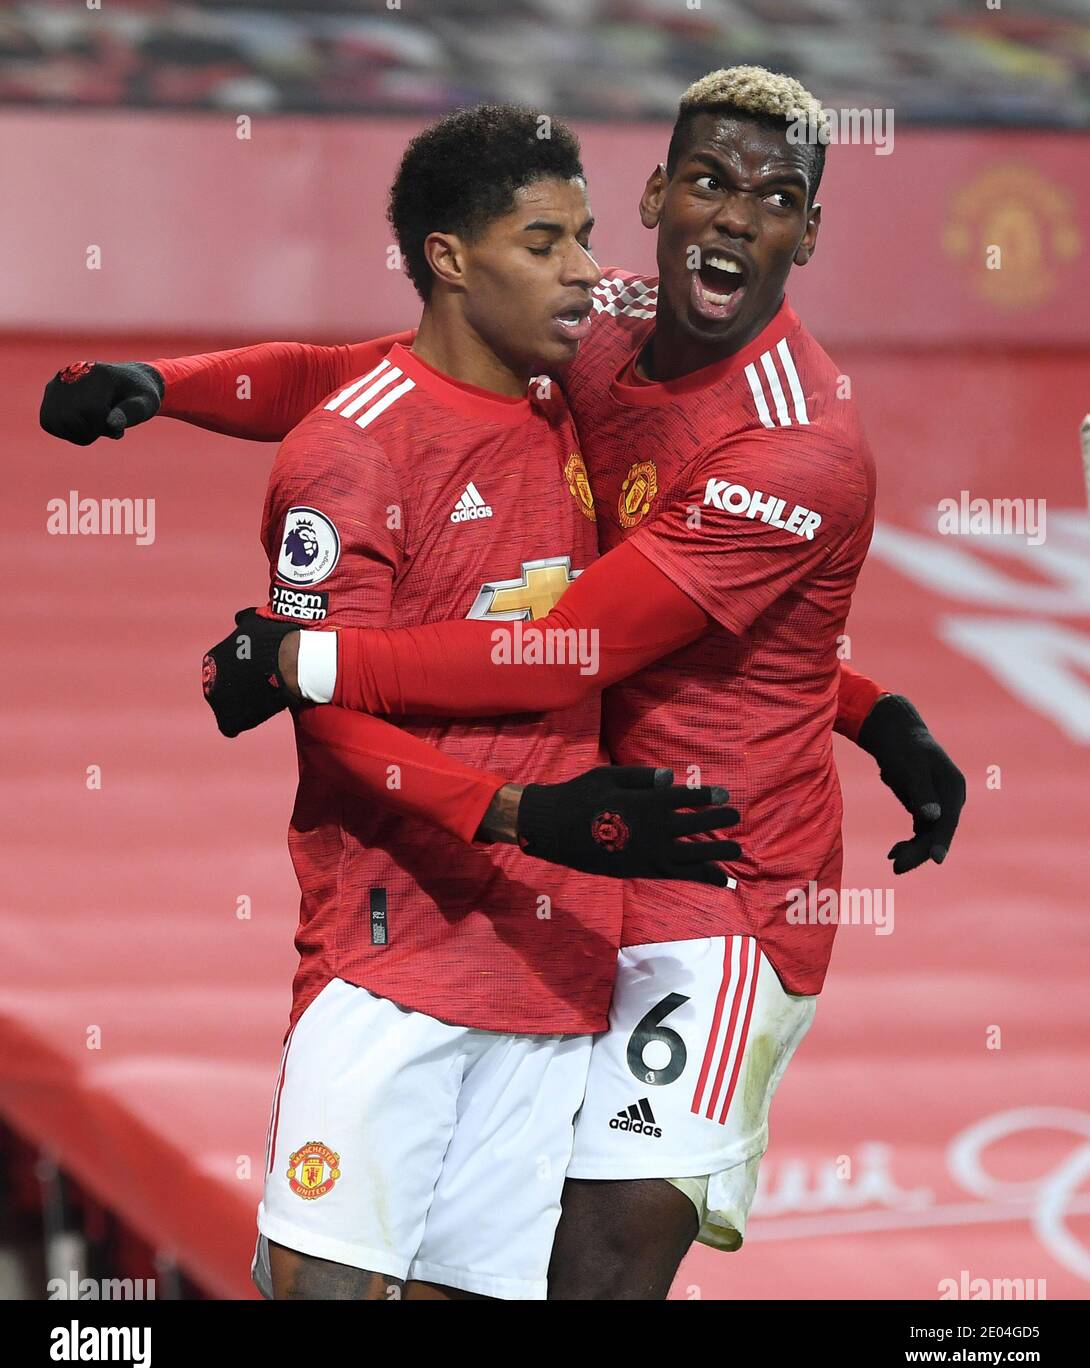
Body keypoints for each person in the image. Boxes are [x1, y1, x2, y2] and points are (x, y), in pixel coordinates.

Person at [41, 69, 966, 1300]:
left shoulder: (795, 444)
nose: (738, 218)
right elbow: (379, 374)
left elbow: (576, 647)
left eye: (777, 198)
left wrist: (308, 658)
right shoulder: (596, 321)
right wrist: (166, 386)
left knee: (591, 1271)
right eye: (710, 181)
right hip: (569, 875)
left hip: (719, 886)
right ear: (659, 194)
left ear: (809, 230)